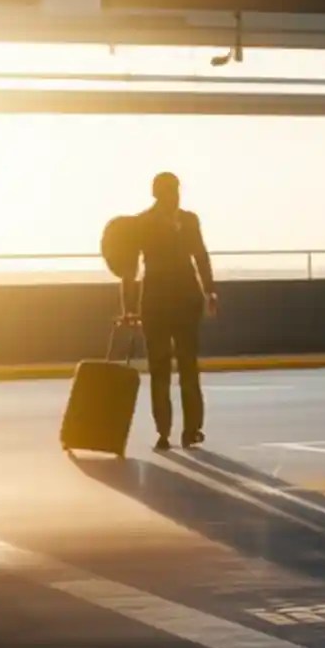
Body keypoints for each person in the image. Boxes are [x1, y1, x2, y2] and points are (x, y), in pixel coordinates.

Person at [119, 172, 219, 451]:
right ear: (156, 194)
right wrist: (128, 306)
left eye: (175, 189)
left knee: (189, 366)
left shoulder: (189, 220)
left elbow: (200, 255)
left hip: (187, 301)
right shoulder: (142, 223)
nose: (173, 195)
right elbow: (130, 267)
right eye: (167, 191)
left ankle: (192, 429)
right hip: (155, 304)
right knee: (160, 369)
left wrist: (209, 290)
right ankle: (163, 431)